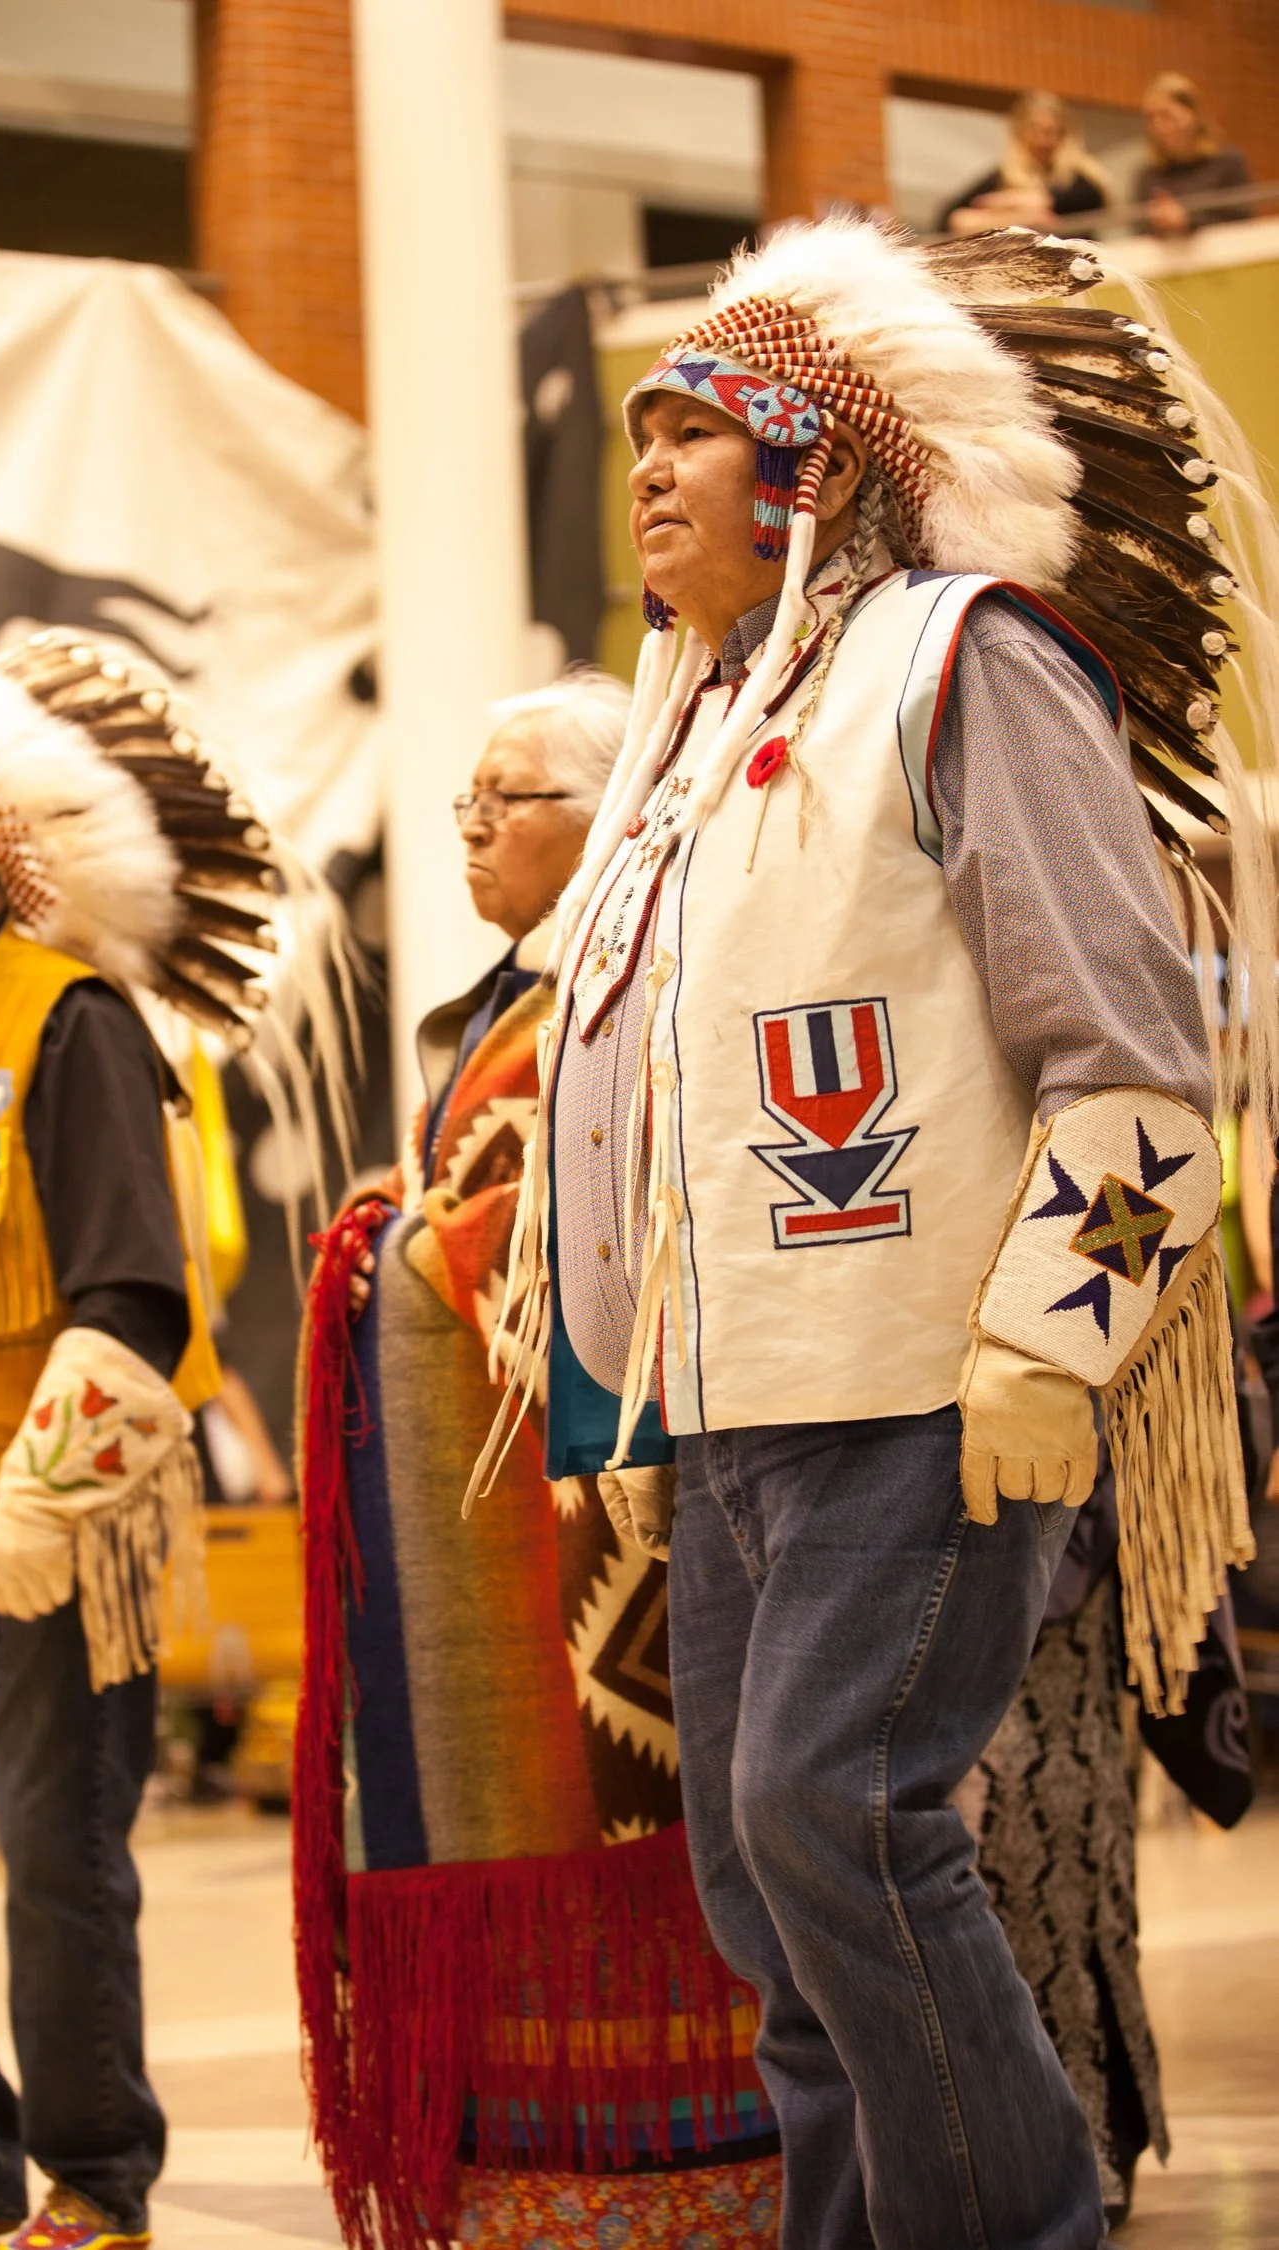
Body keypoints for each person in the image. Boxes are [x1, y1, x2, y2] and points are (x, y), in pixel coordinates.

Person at [473, 217, 1278, 2248]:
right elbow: (659, 1099)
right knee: (767, 1887)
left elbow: (1135, 1062)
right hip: (741, 1409)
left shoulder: (964, 661)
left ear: (813, 461)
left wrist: (1051, 1344)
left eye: (690, 432)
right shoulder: (692, 744)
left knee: (836, 1816)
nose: (648, 474)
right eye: (634, 439)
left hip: (921, 1384)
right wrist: (637, 1388)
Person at [0, 632, 340, 2250]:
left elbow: (134, 1291)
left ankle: (96, 2174)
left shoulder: (72, 1022)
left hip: (65, 1520)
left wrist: (45, 1494)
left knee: (59, 1848)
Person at [294, 671, 788, 2249]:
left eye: (511, 798)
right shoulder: (512, 999)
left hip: (622, 1514)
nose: (471, 824)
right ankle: (544, 2171)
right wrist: (408, 1227)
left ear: (615, 809)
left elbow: (588, 1216)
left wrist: (403, 1245)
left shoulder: (638, 980)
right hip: (520, 1523)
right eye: (468, 797)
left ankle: (690, 2178)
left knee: (656, 1804)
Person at [938, 91, 1111, 236]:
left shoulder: (1082, 179)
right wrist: (1022, 214)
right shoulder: (1001, 176)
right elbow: (951, 219)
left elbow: (1090, 202)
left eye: (1051, 132)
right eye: (1035, 131)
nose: (1043, 141)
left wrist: (1019, 203)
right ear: (1020, 132)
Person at [1136, 73, 1253, 237]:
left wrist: (1188, 220)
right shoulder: (1148, 176)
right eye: (1151, 119)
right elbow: (1139, 232)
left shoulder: (1229, 163)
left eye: (1167, 115)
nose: (1158, 127)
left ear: (1193, 115)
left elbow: (1241, 220)